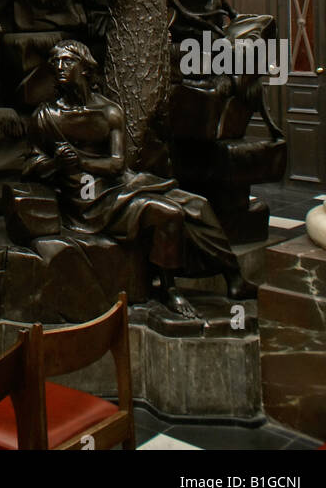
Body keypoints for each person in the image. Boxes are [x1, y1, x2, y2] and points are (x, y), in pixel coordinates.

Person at [27, 41, 253, 319]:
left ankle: (234, 277)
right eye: (56, 63)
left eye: (67, 61)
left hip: (120, 185)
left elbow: (116, 163)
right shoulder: (46, 116)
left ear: (85, 69)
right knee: (168, 213)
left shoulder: (109, 112)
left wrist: (81, 160)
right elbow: (32, 164)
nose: (60, 69)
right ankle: (169, 289)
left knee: (198, 205)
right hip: (88, 203)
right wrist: (56, 164)